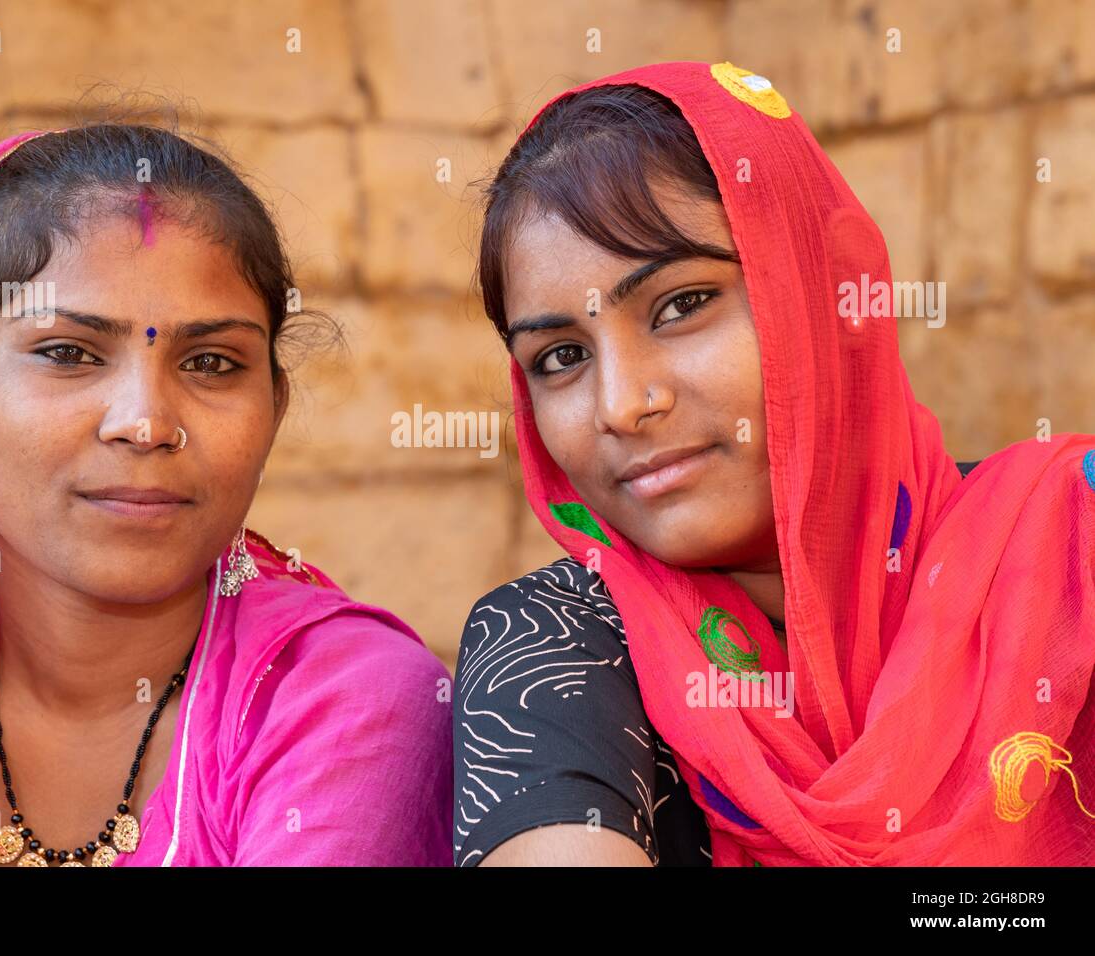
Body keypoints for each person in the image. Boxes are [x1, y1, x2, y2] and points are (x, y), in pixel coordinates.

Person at [453, 61, 1095, 866]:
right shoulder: (549, 643)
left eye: (682, 305)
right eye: (560, 357)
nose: (621, 404)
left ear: (822, 290)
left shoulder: (1068, 548)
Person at [0, 122, 453, 867]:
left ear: (272, 412)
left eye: (210, 363)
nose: (145, 422)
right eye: (69, 353)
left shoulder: (345, 703)